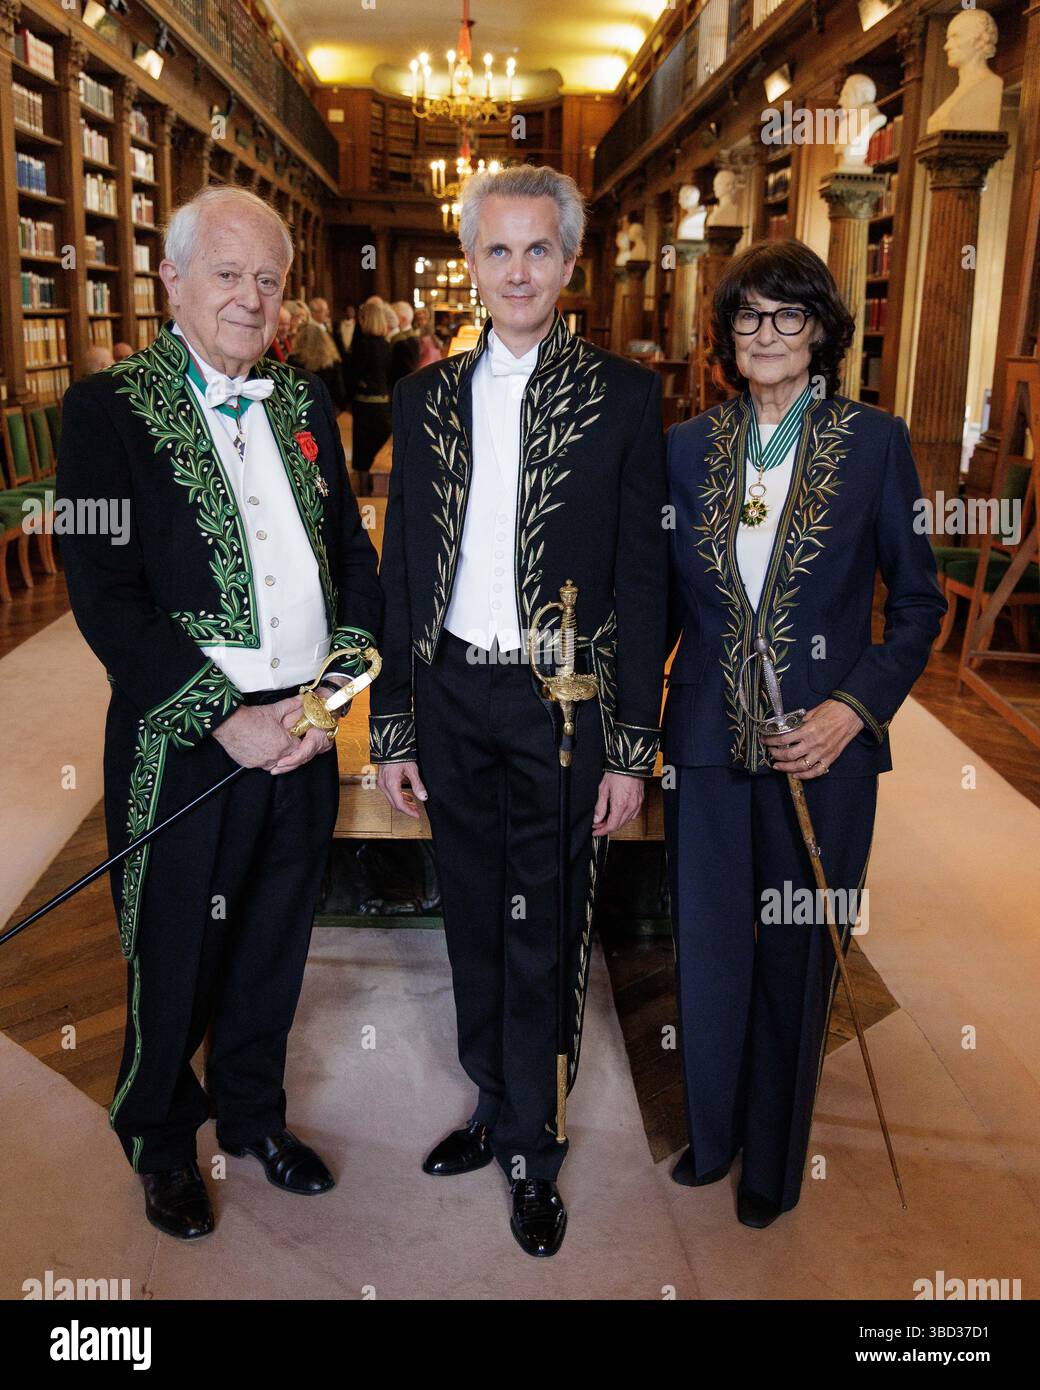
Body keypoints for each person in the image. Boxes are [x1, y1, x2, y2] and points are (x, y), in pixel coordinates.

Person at [56, 185, 382, 1242]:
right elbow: (104, 594)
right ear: (172, 280)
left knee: (273, 943)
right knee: (173, 945)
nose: (250, 298)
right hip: (181, 741)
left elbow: (353, 568)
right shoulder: (107, 409)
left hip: (302, 730)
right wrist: (223, 715)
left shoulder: (301, 405)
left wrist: (329, 697)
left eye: (268, 280)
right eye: (228, 274)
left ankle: (251, 1118)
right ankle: (157, 1135)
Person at [370, 164, 667, 1258]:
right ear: (472, 263)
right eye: (496, 250)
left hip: (561, 701)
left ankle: (534, 1153)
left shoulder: (626, 396)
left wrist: (629, 744)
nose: (517, 270)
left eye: (537, 249)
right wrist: (395, 725)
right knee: (468, 909)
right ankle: (492, 1101)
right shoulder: (423, 397)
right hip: (451, 689)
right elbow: (405, 566)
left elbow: (643, 579)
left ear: (569, 262)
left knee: (543, 926)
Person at [662, 237, 946, 1228]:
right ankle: (711, 1134)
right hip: (703, 738)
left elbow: (917, 603)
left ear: (822, 331)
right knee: (705, 948)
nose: (766, 333)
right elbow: (654, 604)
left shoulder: (873, 442)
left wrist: (848, 710)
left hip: (819, 753)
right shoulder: (686, 447)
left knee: (795, 951)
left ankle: (773, 1163)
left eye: (788, 315)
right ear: (724, 335)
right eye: (746, 316)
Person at [348, 300, 392, 495]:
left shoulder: (362, 346)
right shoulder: (387, 345)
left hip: (364, 405)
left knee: (364, 455)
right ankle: (380, 491)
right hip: (383, 405)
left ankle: (365, 494)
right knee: (380, 449)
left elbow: (352, 375)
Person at [289, 319, 346, 412]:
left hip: (301, 409)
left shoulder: (293, 360)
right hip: (326, 408)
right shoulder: (332, 361)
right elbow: (339, 392)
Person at [388, 300, 421, 387]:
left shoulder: (407, 340)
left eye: (393, 317)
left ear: (403, 319)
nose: (390, 320)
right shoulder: (407, 337)